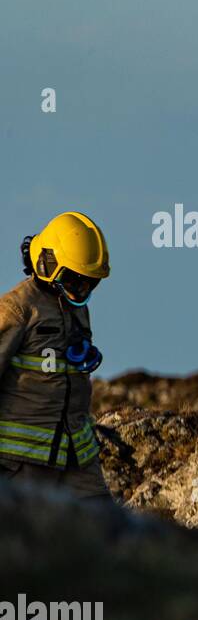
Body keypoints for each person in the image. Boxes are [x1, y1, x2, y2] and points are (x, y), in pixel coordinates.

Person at [0, 211, 112, 500]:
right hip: (22, 462)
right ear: (49, 265)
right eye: (76, 280)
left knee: (108, 533)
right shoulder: (17, 309)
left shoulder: (77, 308)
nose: (83, 289)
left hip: (77, 458)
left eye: (90, 282)